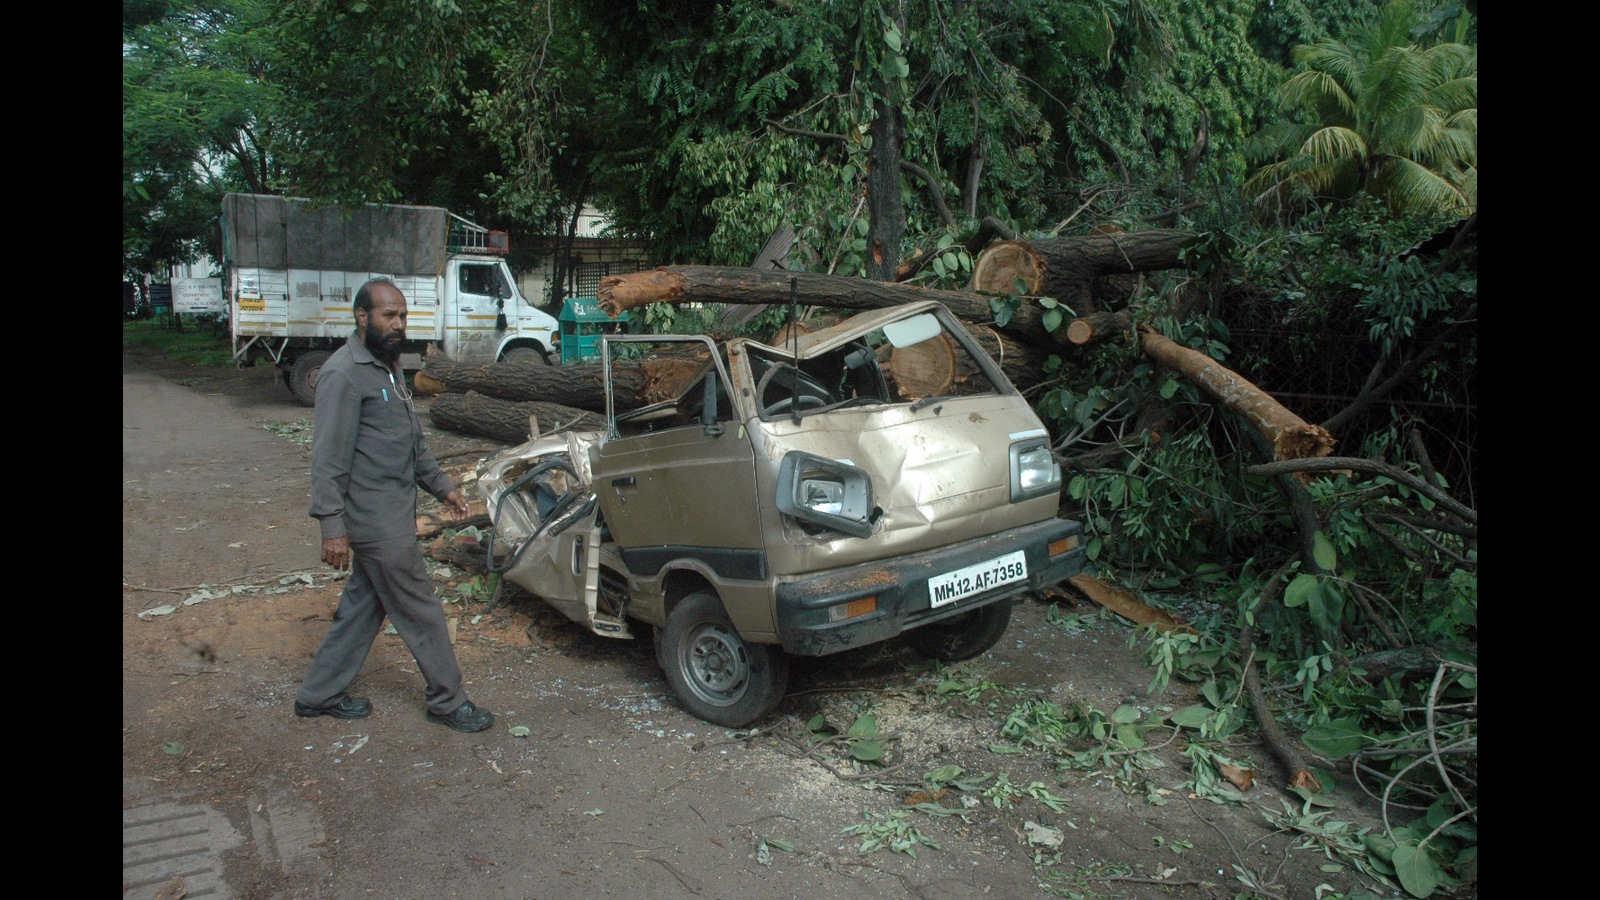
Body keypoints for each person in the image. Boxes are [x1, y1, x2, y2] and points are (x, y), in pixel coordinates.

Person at [293, 277, 495, 733]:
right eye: (389, 315)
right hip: (373, 519)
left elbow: (410, 438)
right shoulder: (342, 373)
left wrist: (442, 485)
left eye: (403, 315)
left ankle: (318, 694)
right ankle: (448, 700)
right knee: (420, 608)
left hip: (394, 511)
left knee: (365, 603)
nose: (399, 324)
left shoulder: (388, 367)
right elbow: (327, 457)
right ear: (362, 317)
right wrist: (331, 525)